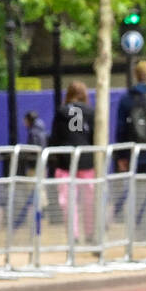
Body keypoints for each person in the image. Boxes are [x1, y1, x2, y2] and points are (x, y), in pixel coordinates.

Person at [48, 81, 96, 235]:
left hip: (65, 161)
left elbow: (54, 137)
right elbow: (95, 136)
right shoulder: (90, 111)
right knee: (89, 200)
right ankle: (90, 232)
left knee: (69, 201)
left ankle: (73, 234)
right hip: (86, 160)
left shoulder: (61, 111)